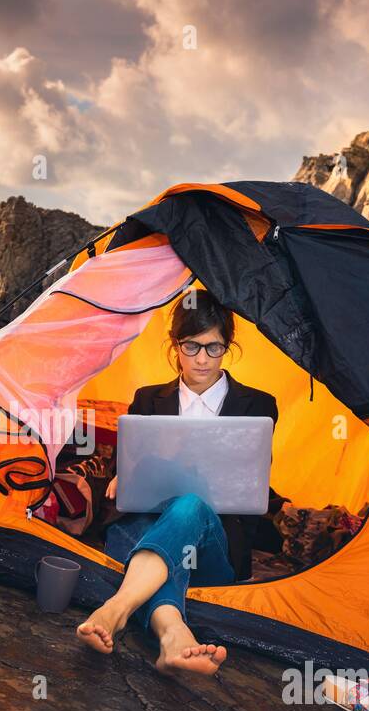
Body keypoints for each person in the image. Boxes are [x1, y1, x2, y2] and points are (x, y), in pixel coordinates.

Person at [76, 289, 281, 675]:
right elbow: (132, 469)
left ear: (228, 347)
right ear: (175, 346)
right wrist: (125, 475)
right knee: (144, 526)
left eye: (214, 348)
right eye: (191, 347)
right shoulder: (148, 399)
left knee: (189, 504)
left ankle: (116, 609)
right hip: (147, 529)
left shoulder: (258, 404)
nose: (202, 359)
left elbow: (252, 481)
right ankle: (173, 633)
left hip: (215, 548)